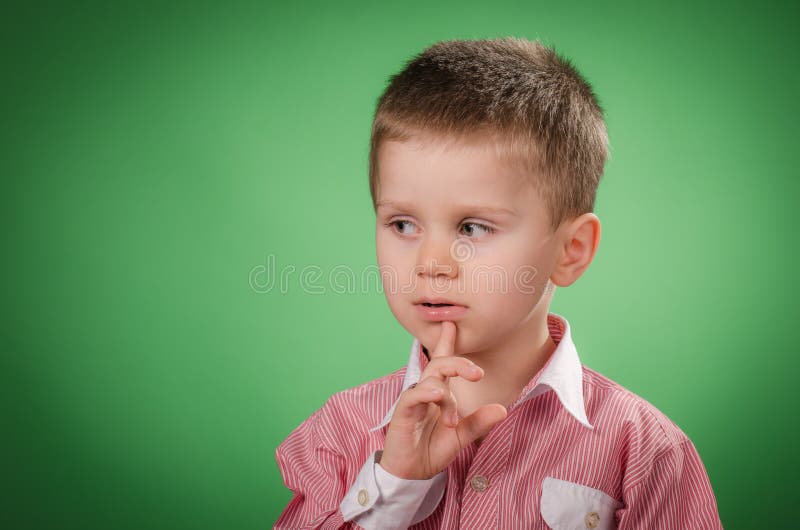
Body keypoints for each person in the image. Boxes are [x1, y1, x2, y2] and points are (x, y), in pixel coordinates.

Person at [274, 37, 723, 529]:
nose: (431, 264)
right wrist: (394, 484)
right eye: (403, 224)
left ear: (570, 251)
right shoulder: (337, 434)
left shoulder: (645, 452)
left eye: (472, 227)